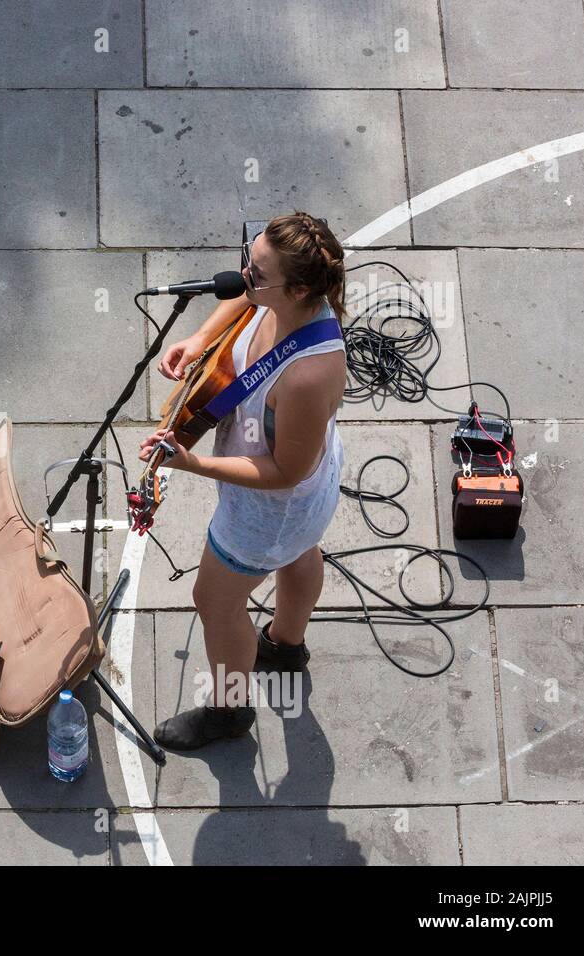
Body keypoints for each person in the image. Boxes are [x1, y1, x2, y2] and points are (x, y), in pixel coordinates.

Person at [140, 212, 348, 750]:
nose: (241, 279)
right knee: (302, 553)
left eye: (256, 273)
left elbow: (284, 472)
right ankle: (284, 646)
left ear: (299, 288)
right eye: (247, 262)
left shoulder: (306, 377)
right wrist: (201, 335)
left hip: (270, 508)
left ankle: (228, 711)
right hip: (303, 499)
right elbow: (248, 298)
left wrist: (192, 464)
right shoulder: (284, 295)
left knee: (214, 603)